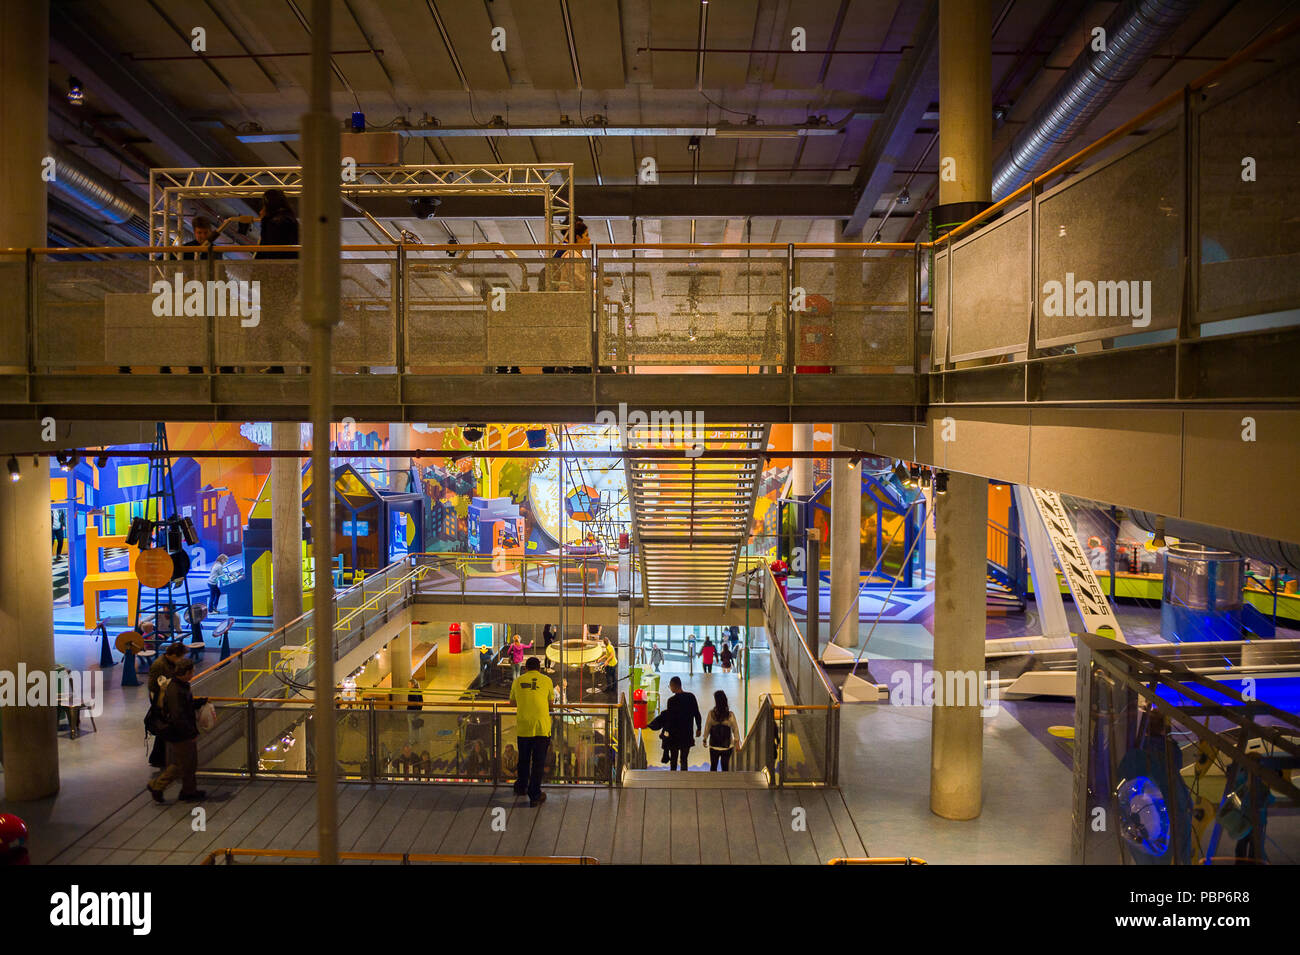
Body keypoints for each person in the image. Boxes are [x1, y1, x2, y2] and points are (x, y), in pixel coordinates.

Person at [147, 658, 208, 803]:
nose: (193, 673)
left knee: (189, 763)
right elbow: (178, 715)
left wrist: (198, 702)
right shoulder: (175, 689)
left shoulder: (180, 686)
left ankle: (189, 790)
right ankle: (157, 785)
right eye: (192, 671)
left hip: (179, 732)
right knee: (182, 764)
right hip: (179, 734)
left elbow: (185, 706)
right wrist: (190, 733)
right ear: (186, 672)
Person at [509, 657, 554, 807]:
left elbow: (512, 702)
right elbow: (551, 704)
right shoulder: (546, 680)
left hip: (524, 727)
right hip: (542, 727)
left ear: (525, 668)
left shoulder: (518, 681)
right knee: (538, 762)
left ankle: (521, 786)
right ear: (539, 669)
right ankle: (534, 795)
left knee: (523, 759)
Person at [146, 642, 187, 769]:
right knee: (163, 729)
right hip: (161, 700)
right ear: (174, 655)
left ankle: (159, 758)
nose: (181, 660)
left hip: (167, 698)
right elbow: (152, 686)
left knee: (164, 731)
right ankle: (159, 758)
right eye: (180, 657)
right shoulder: (159, 665)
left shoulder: (170, 663)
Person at [648, 676, 700, 771]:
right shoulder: (691, 697)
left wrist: (665, 733)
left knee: (674, 759)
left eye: (670, 686)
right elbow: (697, 713)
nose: (670, 688)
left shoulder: (671, 701)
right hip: (687, 734)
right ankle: (684, 778)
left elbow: (670, 719)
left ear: (673, 686)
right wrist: (699, 728)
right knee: (684, 759)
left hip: (674, 736)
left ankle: (673, 779)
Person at [703, 690, 740, 772]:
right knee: (725, 767)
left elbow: (707, 727)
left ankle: (712, 783)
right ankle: (724, 783)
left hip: (714, 745)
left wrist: (705, 738)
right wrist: (737, 743)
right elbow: (735, 729)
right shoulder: (730, 715)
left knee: (713, 767)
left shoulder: (711, 714)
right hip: (727, 746)